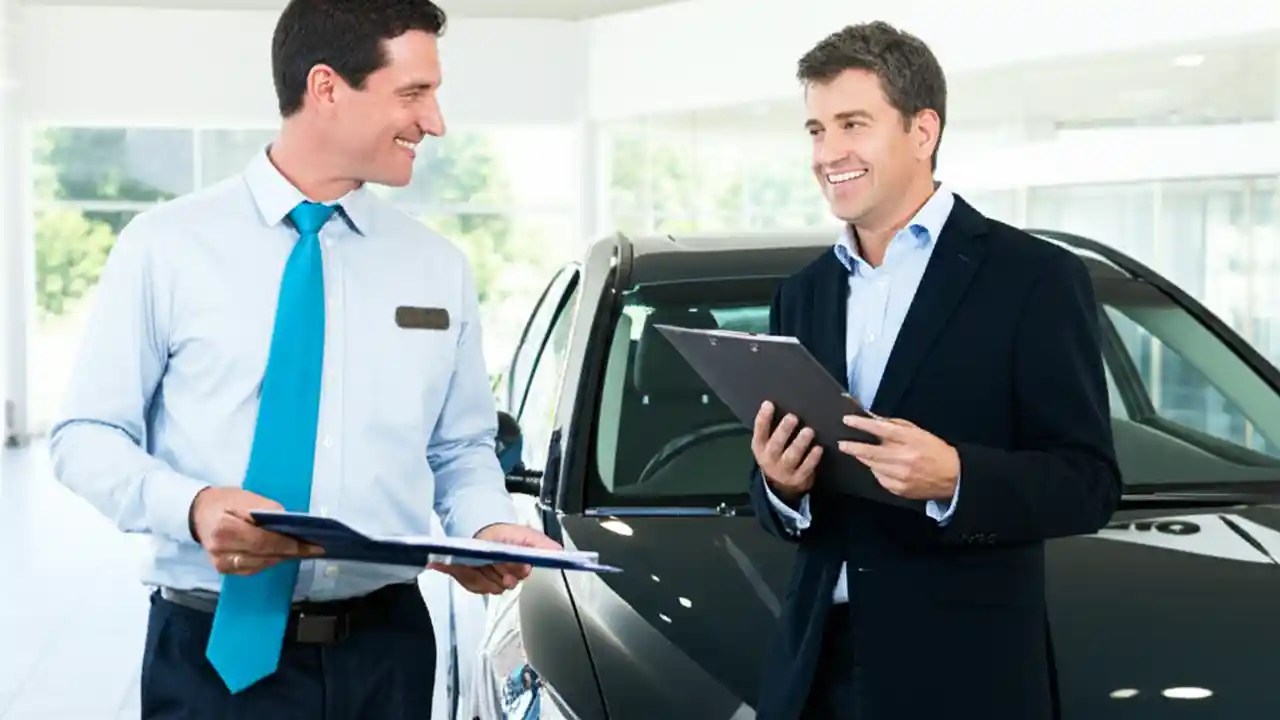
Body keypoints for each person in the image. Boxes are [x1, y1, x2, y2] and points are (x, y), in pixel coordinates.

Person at [47, 1, 558, 717]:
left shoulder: (437, 267)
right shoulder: (164, 247)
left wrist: (484, 527)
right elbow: (85, 436)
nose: (435, 122)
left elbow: (461, 449)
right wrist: (191, 506)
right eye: (413, 93)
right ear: (326, 88)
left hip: (388, 654)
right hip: (213, 657)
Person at [747, 21, 1121, 720]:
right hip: (814, 674)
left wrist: (956, 477)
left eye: (852, 124)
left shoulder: (1034, 278)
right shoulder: (802, 293)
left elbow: (1088, 483)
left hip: (964, 679)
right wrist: (780, 484)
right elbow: (780, 502)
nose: (828, 153)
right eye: (817, 130)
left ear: (923, 131)